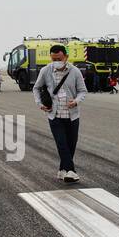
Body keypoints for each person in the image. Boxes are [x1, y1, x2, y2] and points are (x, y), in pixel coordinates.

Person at [33, 44, 88, 182]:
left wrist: (76, 101)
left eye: (59, 58)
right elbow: (36, 88)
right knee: (61, 143)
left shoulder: (75, 71)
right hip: (54, 114)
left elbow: (83, 90)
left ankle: (62, 170)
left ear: (66, 57)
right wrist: (40, 104)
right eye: (53, 59)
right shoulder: (46, 71)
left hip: (72, 115)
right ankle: (71, 171)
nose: (56, 61)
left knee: (71, 144)